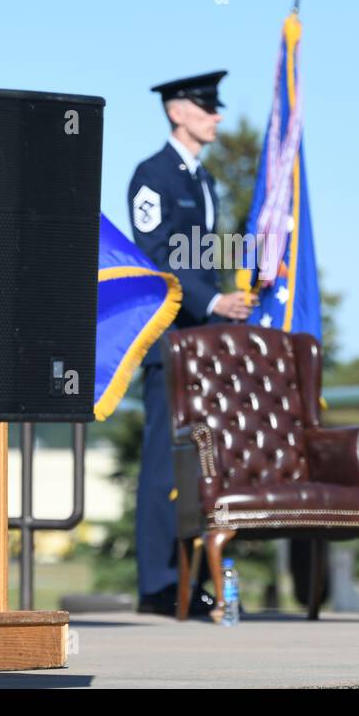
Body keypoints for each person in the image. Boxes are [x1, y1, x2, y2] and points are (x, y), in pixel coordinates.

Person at [127, 71, 252, 615]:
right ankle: (157, 586)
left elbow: (202, 254)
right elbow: (156, 254)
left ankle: (193, 582)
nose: (217, 117)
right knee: (162, 466)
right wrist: (212, 301)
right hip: (171, 342)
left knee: (206, 463)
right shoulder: (153, 176)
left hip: (204, 344)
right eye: (207, 108)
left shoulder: (203, 180)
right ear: (178, 112)